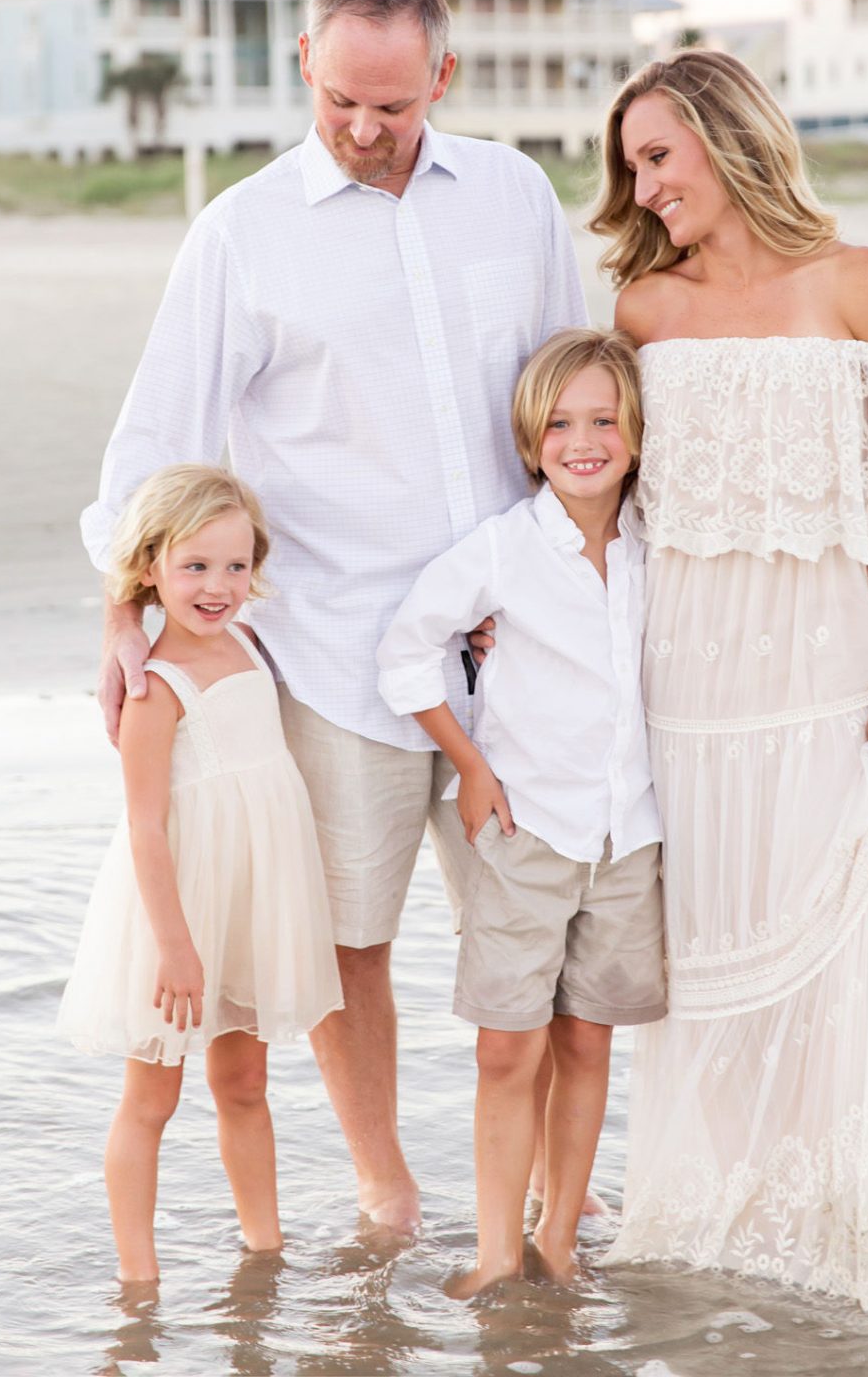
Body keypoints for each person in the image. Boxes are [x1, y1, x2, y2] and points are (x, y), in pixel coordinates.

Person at [83, 0, 587, 1232]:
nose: (364, 130)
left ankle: (534, 1201)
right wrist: (119, 611)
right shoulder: (243, 232)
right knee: (347, 941)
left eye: (394, 106)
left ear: (441, 76)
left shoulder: (516, 196)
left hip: (509, 652)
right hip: (331, 650)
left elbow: (575, 392)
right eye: (341, 100)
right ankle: (388, 1186)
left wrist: (566, 577)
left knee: (527, 932)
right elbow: (159, 438)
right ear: (306, 63)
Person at [593, 51, 868, 1314]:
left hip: (829, 673)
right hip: (683, 682)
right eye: (630, 164)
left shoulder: (861, 284)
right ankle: (713, 1232)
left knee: (836, 949)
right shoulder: (643, 309)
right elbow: (603, 498)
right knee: (698, 959)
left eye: (658, 155)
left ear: (729, 135)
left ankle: (838, 1235)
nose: (643, 188)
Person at [376, 328, 664, 1292]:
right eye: (559, 424)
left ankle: (557, 1239)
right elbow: (404, 653)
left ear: (634, 433)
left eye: (603, 420)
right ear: (530, 438)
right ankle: (497, 1250)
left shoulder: (660, 545)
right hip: (526, 830)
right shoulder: (502, 549)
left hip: (632, 833)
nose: (582, 441)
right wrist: (470, 765)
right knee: (509, 1049)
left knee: (588, 1038)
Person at [58, 464, 343, 1281]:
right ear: (149, 567)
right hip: (175, 913)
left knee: (246, 1082)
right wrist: (175, 946)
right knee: (152, 1096)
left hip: (249, 899)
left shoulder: (251, 644)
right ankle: (138, 1282)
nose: (217, 587)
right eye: (194, 567)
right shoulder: (155, 686)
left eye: (234, 566)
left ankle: (265, 1250)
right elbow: (146, 827)